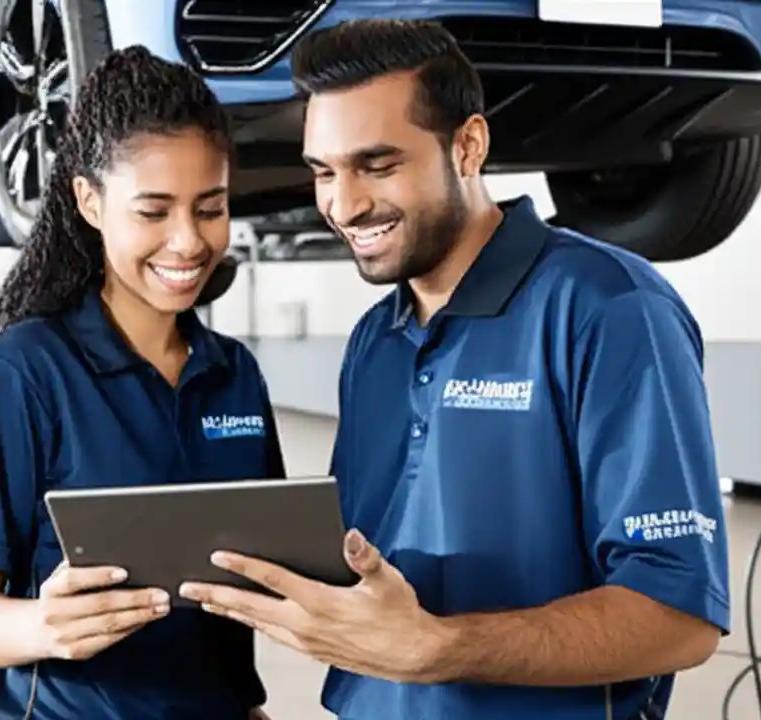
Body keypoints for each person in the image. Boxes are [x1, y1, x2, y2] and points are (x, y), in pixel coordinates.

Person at [178, 18, 730, 720]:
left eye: (377, 164)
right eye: (325, 171)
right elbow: (369, 583)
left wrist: (439, 648)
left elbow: (679, 615)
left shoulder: (610, 310)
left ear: (467, 145)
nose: (343, 205)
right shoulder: (375, 339)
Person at [0, 46, 282, 720]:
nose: (187, 242)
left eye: (210, 208)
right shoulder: (20, 375)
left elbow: (241, 596)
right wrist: (41, 627)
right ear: (89, 201)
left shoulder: (234, 375)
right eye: (153, 212)